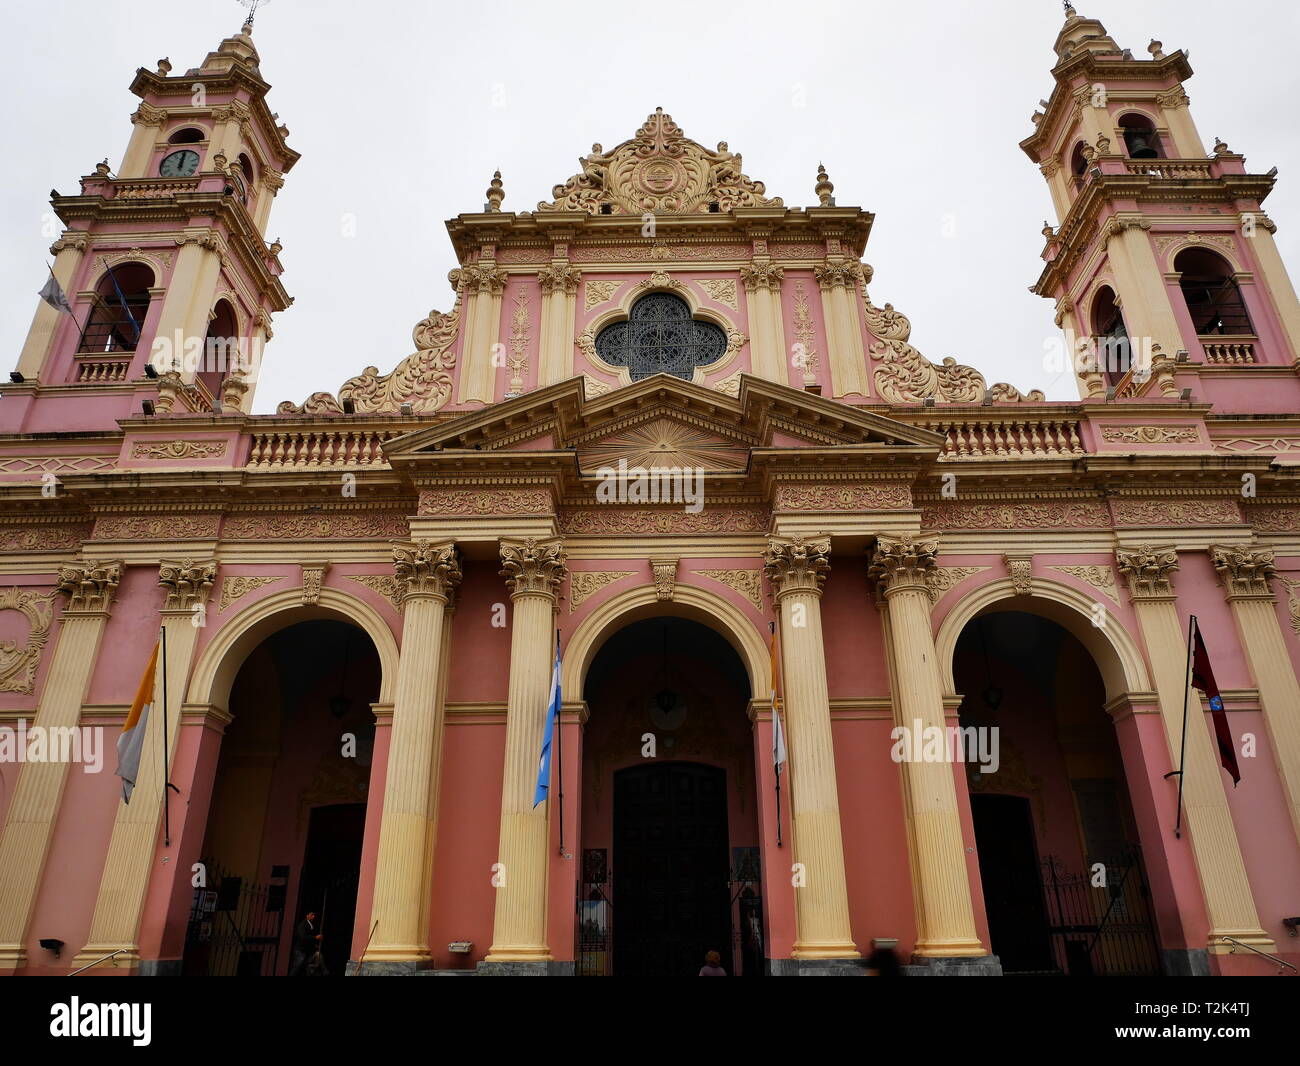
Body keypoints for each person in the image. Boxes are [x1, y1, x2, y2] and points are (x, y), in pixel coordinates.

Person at [289, 910, 322, 976]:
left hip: (306, 950)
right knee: (298, 965)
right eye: (312, 915)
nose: (313, 916)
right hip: (300, 949)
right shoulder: (303, 924)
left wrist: (314, 945)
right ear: (307, 915)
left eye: (314, 915)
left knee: (308, 966)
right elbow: (303, 937)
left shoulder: (311, 925)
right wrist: (315, 937)